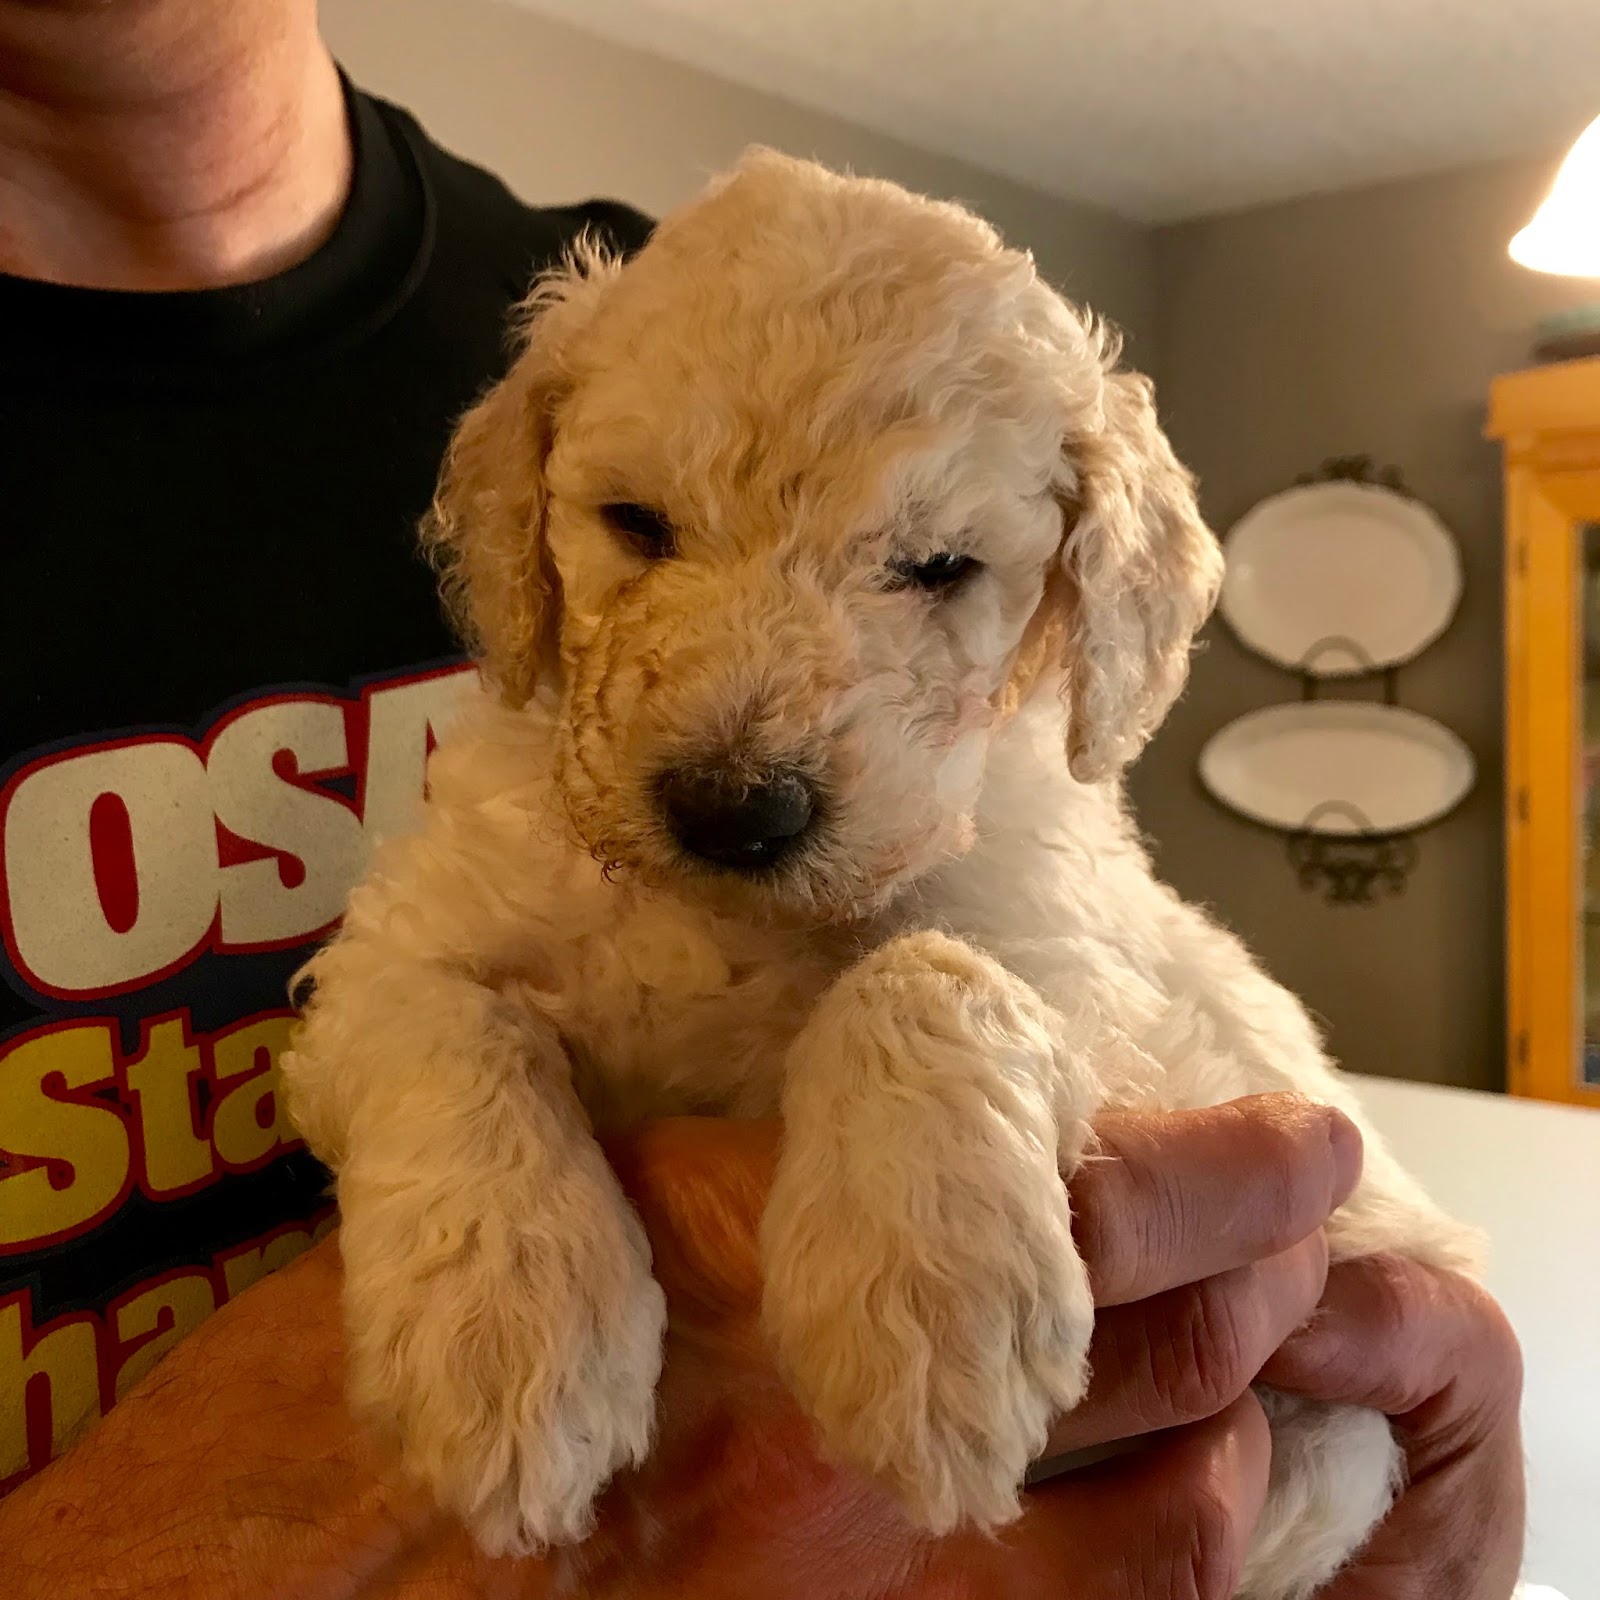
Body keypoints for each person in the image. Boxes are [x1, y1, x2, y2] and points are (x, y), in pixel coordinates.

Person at [0, 1, 1524, 1594]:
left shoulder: (1000, 835)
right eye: (643, 531)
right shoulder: (600, 401)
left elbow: (1368, 1370)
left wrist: (1448, 1499)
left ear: (1089, 590)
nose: (739, 748)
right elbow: (398, 997)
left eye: (935, 567)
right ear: (525, 516)